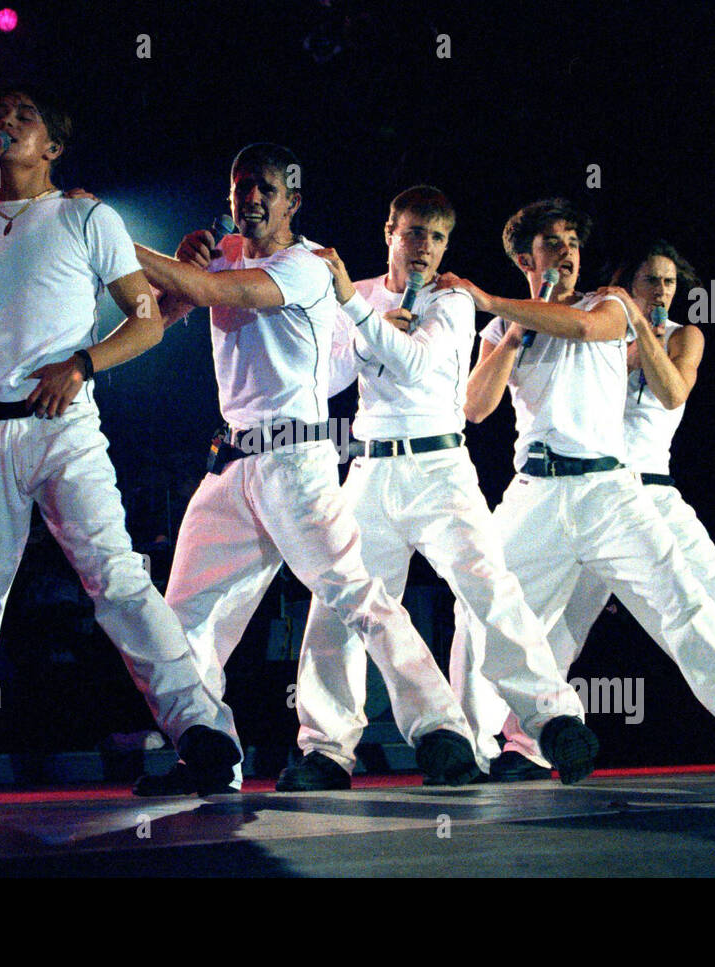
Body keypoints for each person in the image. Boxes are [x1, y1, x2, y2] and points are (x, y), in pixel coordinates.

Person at [0, 84, 240, 810]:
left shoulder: (86, 214)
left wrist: (82, 365)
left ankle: (197, 726)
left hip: (64, 426)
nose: (5, 123)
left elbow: (145, 320)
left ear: (54, 147)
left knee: (117, 577)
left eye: (24, 117)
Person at [129, 145, 482, 795]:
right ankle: (208, 749)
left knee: (355, 596)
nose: (251, 198)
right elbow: (164, 314)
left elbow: (217, 293)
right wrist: (175, 269)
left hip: (297, 464)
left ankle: (441, 727)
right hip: (230, 466)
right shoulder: (222, 252)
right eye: (240, 187)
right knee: (178, 621)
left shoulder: (308, 264)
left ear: (293, 199)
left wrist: (119, 243)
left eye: (264, 187)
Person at [437, 198, 715, 779]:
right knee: (481, 610)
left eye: (573, 243)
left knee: (682, 601)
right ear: (526, 256)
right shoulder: (504, 327)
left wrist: (491, 299)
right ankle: (472, 748)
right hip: (535, 493)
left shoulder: (610, 304)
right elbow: (475, 408)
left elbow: (582, 327)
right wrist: (510, 328)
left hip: (608, 490)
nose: (568, 253)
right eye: (553, 243)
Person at [277, 186, 598, 791]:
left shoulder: (452, 299)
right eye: (414, 232)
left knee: (487, 586)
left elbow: (418, 366)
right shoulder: (362, 294)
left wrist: (365, 319)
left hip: (439, 468)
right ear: (390, 233)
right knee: (339, 606)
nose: (425, 246)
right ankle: (326, 751)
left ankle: (553, 719)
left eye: (438, 236)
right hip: (370, 469)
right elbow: (325, 380)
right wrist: (363, 320)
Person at [501, 241, 715, 773]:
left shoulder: (683, 336)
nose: (661, 290)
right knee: (554, 627)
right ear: (625, 287)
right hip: (593, 492)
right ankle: (526, 745)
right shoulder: (600, 329)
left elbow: (672, 392)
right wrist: (621, 328)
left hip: (654, 498)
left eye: (668, 282)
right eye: (649, 282)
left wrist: (643, 332)